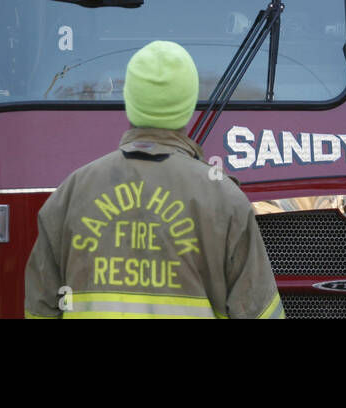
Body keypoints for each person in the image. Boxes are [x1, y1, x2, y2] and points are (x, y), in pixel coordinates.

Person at [24, 41, 283, 318]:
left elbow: (41, 309)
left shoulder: (71, 193)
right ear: (188, 104)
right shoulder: (225, 200)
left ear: (129, 99)